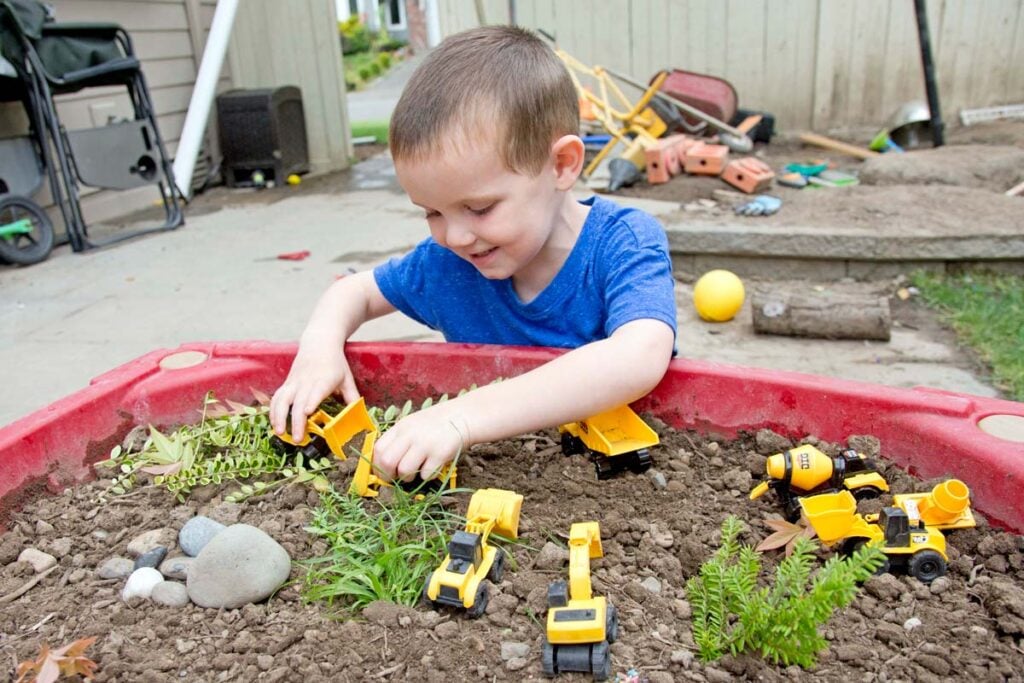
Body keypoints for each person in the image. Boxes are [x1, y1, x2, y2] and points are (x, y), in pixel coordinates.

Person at [270, 25, 677, 483]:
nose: (456, 236)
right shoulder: (449, 264)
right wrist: (319, 350)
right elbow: (354, 292)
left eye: (479, 208)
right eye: (431, 212)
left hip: (618, 480)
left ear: (561, 165)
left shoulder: (622, 243)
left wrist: (459, 417)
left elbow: (639, 355)